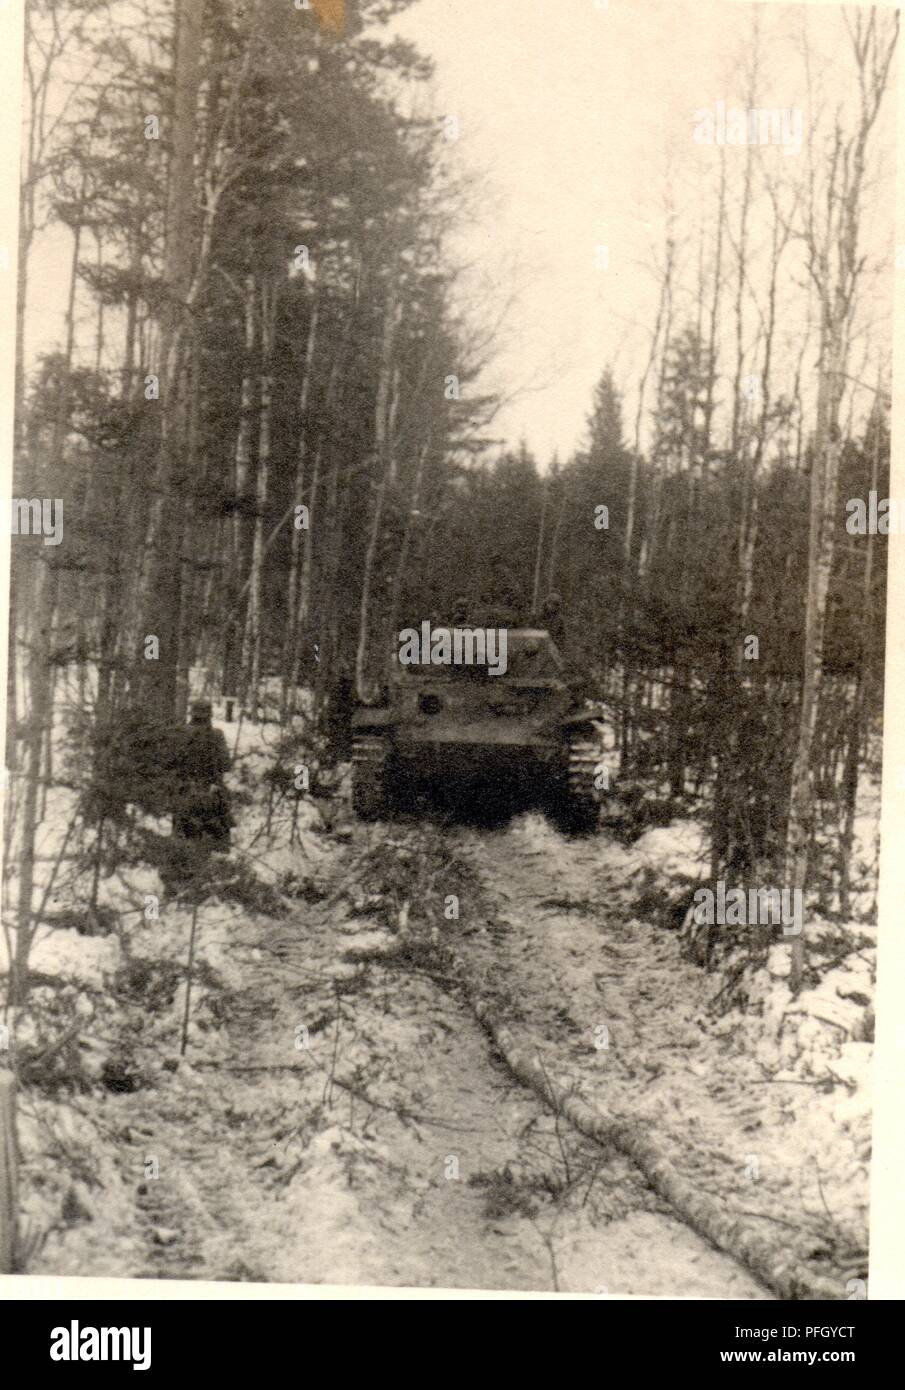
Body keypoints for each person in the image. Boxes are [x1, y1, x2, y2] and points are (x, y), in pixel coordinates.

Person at [173, 701, 232, 848]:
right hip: (211, 795)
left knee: (182, 842)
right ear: (210, 715)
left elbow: (171, 764)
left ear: (192, 714)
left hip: (184, 793)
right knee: (211, 842)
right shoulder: (216, 735)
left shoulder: (179, 733)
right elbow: (226, 765)